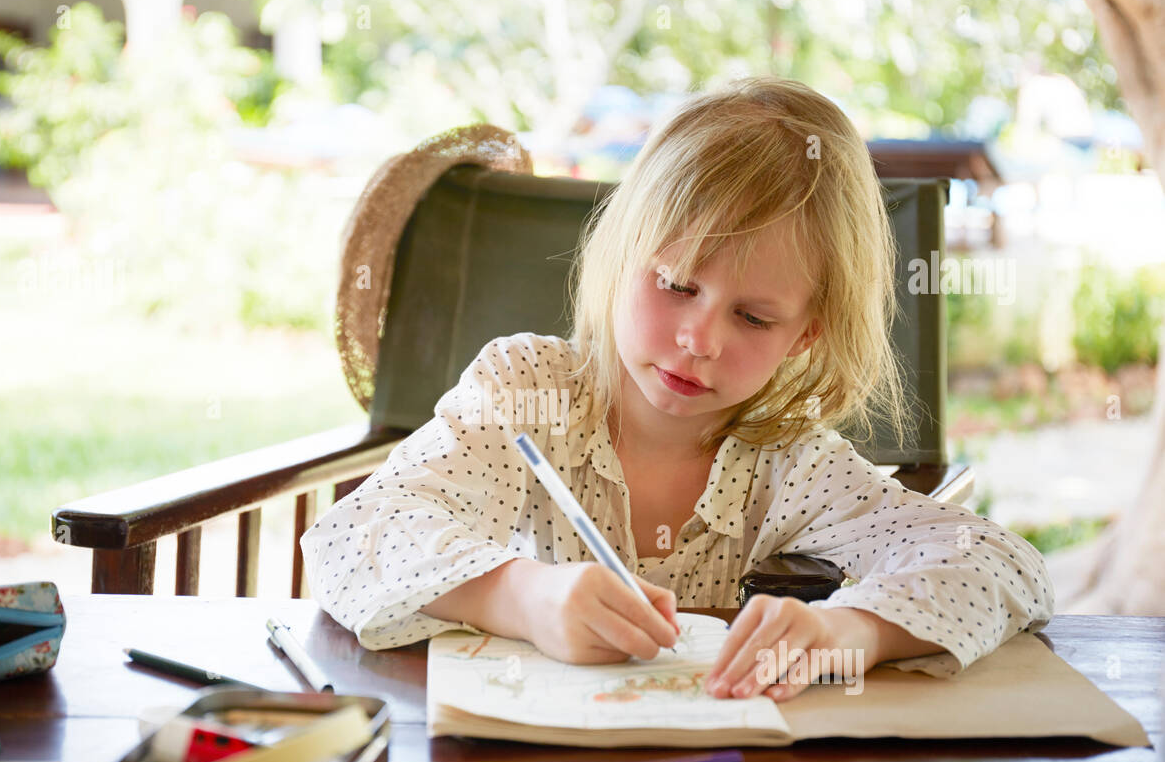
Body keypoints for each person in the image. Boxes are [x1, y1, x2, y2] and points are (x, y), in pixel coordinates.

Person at [299, 76, 1054, 702]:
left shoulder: (789, 462)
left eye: (755, 317)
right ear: (624, 251)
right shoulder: (524, 392)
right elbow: (350, 540)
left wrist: (846, 632)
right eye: (676, 284)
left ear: (807, 335)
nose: (701, 340)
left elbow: (1002, 564)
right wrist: (523, 598)